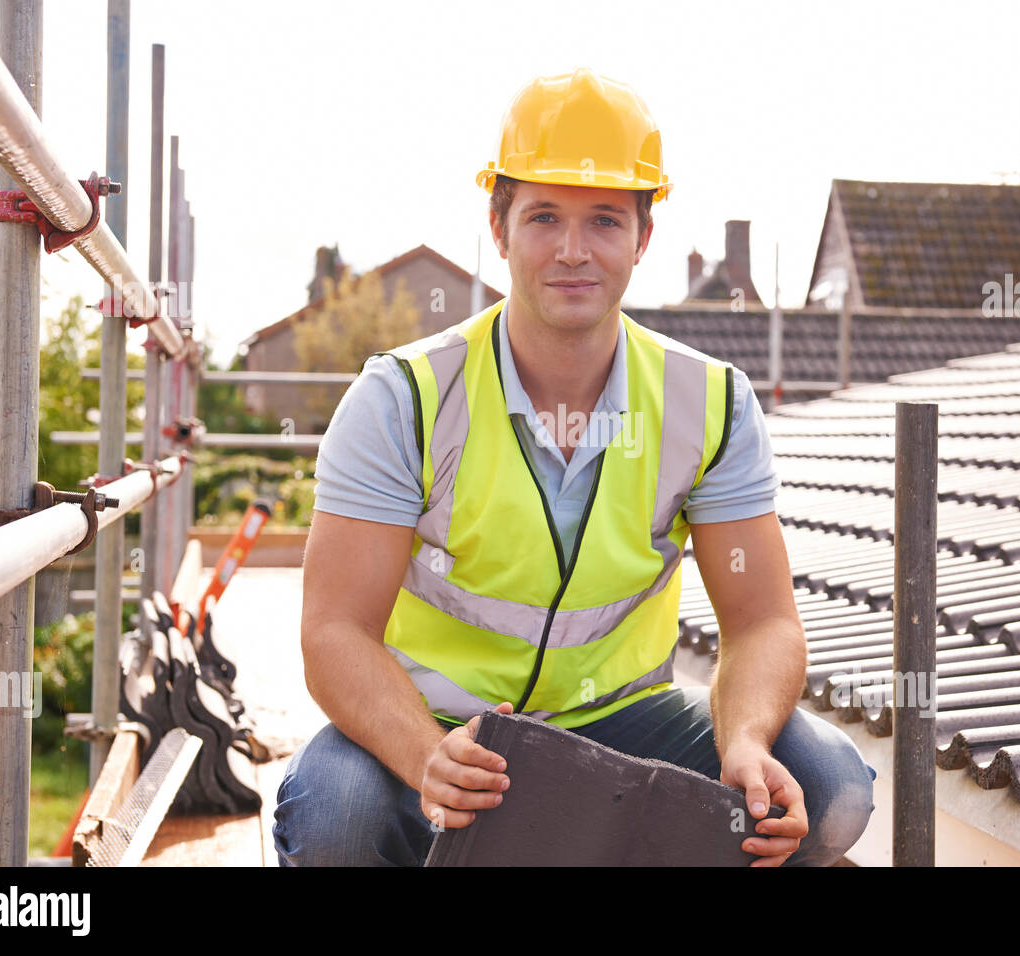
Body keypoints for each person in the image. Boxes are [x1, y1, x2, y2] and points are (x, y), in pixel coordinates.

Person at [273, 68, 876, 867]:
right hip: (443, 724)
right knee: (335, 819)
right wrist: (425, 754)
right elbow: (334, 632)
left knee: (829, 786)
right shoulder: (405, 399)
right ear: (499, 227)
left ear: (642, 238)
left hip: (624, 725)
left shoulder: (711, 403)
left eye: (603, 220)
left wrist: (747, 742)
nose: (571, 250)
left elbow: (762, 620)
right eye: (543, 216)